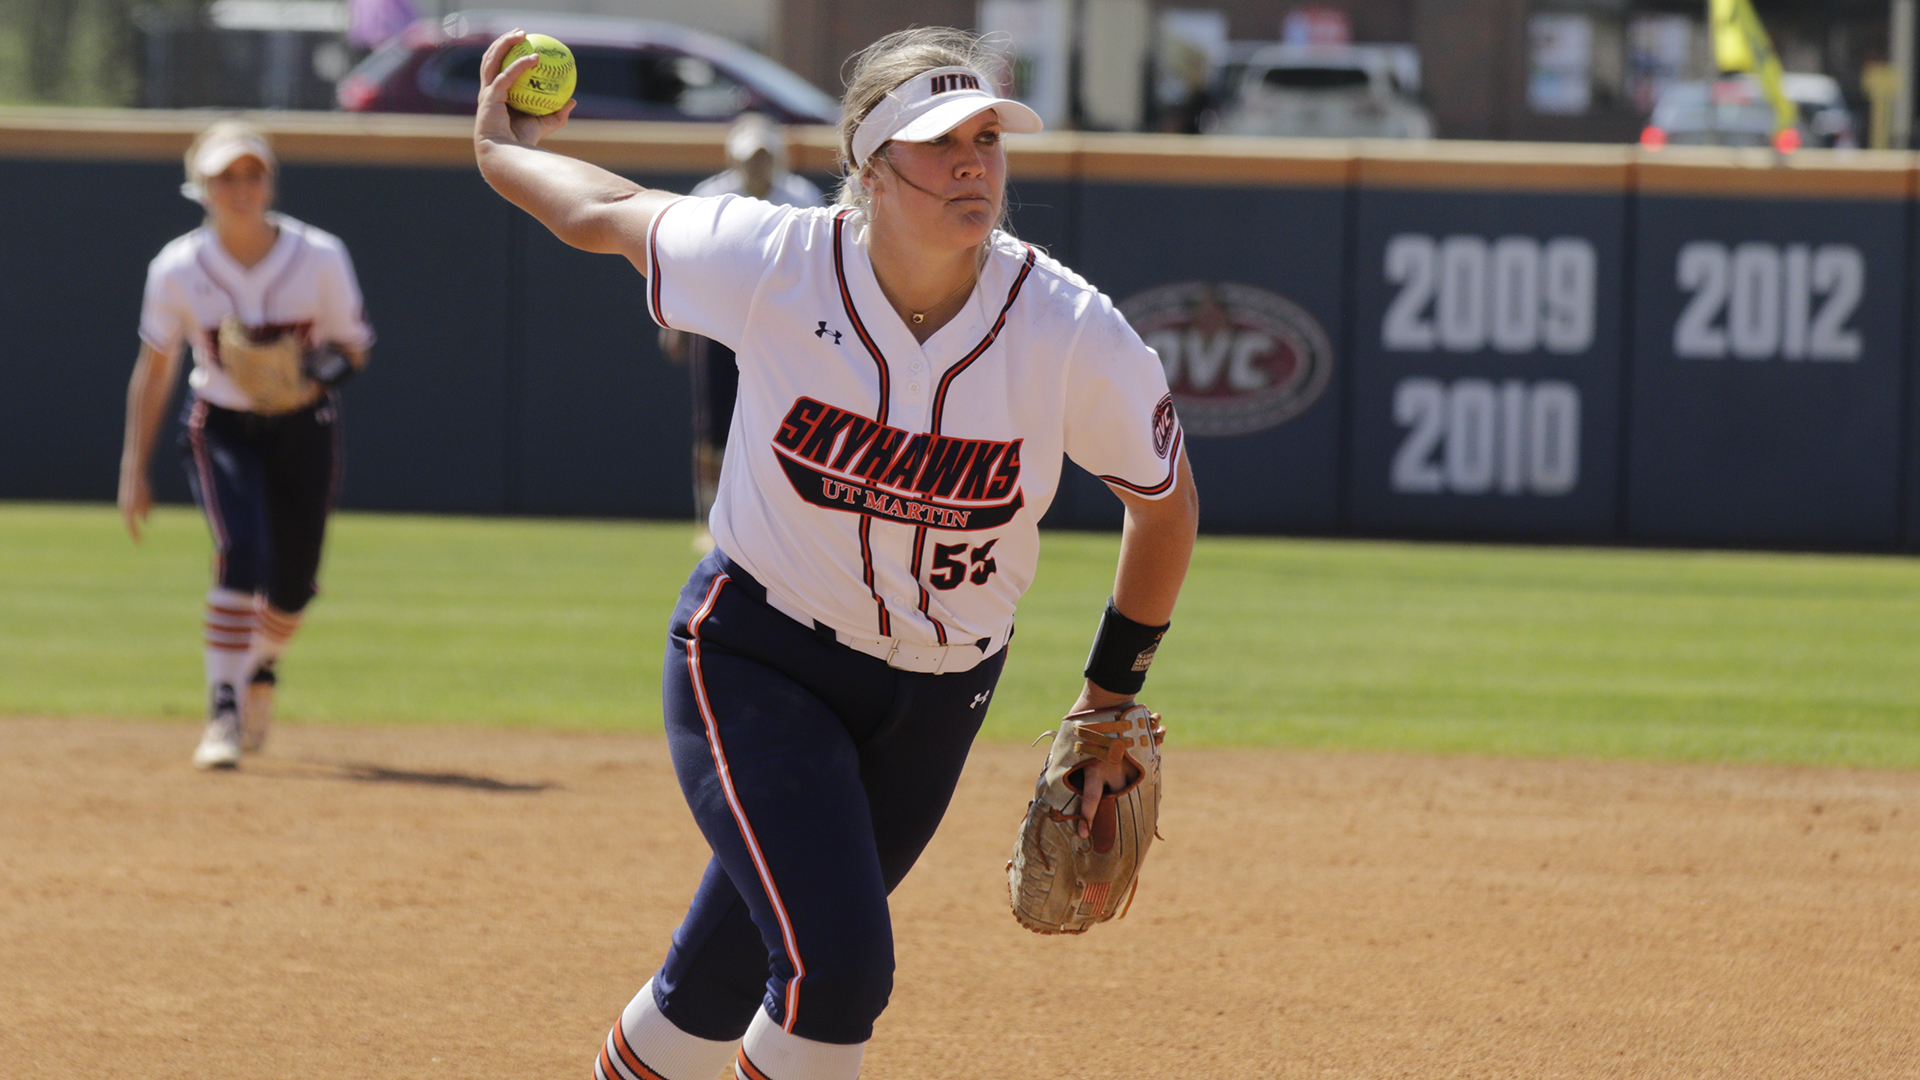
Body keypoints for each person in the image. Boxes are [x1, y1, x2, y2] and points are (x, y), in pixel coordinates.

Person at [475, 25, 1197, 1080]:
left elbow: (1165, 506)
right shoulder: (777, 262)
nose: (972, 164)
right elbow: (605, 210)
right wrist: (501, 150)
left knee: (714, 988)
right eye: (940, 141)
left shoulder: (1065, 328)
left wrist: (1108, 700)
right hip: (760, 657)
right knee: (839, 973)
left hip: (939, 700)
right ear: (870, 168)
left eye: (988, 139)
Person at [118, 119, 373, 770]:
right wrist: (133, 467)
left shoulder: (319, 255)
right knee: (240, 551)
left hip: (304, 425)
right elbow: (156, 369)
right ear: (199, 187)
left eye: (252, 173)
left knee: (293, 589)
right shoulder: (178, 267)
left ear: (269, 182)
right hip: (223, 423)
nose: (240, 187)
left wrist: (312, 377)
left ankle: (257, 667)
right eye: (224, 176)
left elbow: (354, 347)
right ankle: (224, 711)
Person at [658, 113, 825, 551]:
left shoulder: (801, 198)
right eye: (751, 157)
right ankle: (708, 518)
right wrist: (674, 323)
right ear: (735, 158)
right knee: (713, 426)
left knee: (783, 423)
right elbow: (680, 260)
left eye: (764, 157)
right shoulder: (710, 196)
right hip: (718, 323)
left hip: (781, 326)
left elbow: (821, 268)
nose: (757, 166)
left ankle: (774, 520)